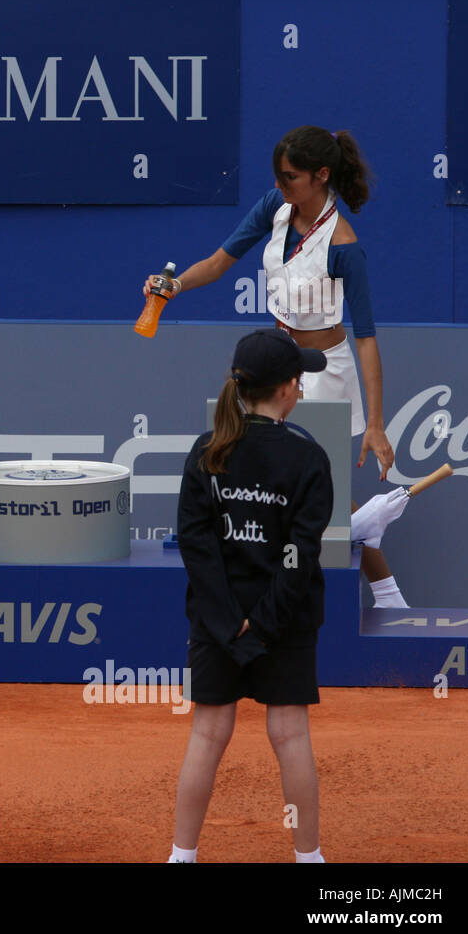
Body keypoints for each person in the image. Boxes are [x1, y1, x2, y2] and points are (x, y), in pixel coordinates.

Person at [145, 125, 406, 608]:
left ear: (320, 175)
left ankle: (386, 594)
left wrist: (375, 423)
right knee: (279, 479)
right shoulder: (274, 207)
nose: (282, 185)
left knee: (308, 485)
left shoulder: (344, 244)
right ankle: (362, 550)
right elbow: (220, 262)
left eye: (291, 178)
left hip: (325, 373)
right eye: (279, 177)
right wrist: (175, 285)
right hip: (277, 364)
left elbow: (366, 338)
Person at [169, 328, 332, 864]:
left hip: (219, 623)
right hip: (283, 622)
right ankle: (309, 859)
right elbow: (297, 555)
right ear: (286, 388)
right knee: (289, 732)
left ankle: (182, 857)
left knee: (208, 731)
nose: (302, 382)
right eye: (299, 375)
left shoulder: (206, 450)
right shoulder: (308, 457)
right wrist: (261, 624)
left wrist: (228, 620)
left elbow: (199, 548)